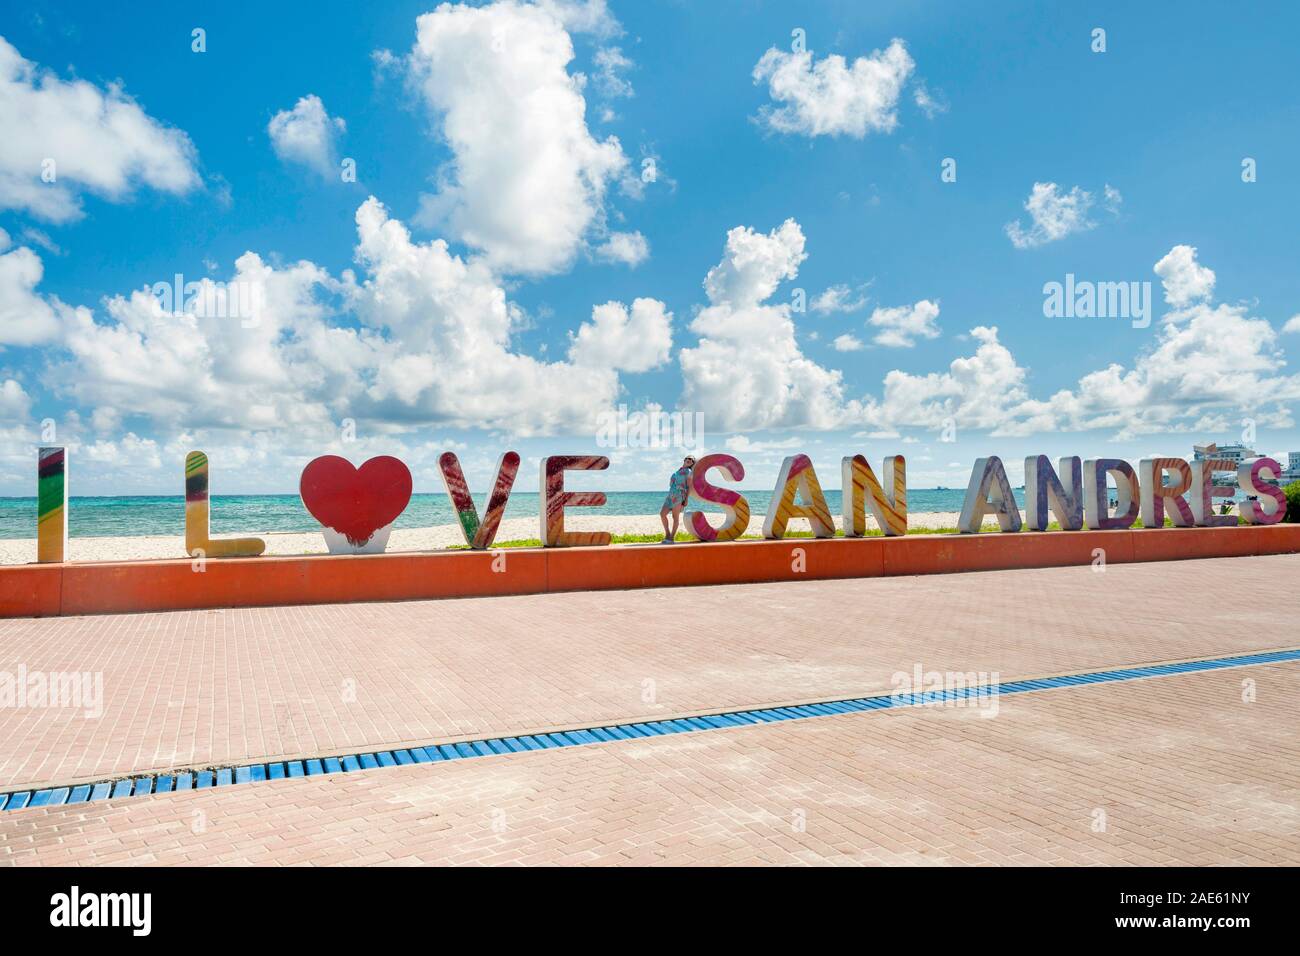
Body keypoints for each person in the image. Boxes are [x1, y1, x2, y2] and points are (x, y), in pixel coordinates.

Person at [659, 456, 696, 543]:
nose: (689, 460)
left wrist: (686, 499)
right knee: (662, 514)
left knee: (675, 517)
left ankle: (671, 538)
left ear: (692, 463)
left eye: (691, 460)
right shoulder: (678, 471)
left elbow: (689, 487)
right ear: (684, 460)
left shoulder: (689, 472)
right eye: (688, 458)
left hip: (679, 496)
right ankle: (667, 534)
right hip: (670, 495)